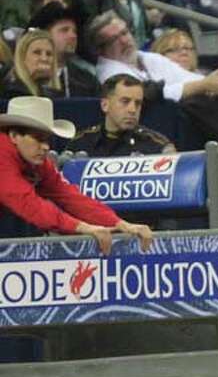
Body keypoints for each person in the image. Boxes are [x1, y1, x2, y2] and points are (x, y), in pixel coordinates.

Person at [0, 96, 153, 253]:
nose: (45, 147)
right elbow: (29, 204)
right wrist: (83, 227)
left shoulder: (36, 160)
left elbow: (69, 196)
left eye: (47, 140)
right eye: (38, 139)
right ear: (13, 136)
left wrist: (120, 224)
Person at [90, 11, 218, 103]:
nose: (124, 40)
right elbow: (145, 94)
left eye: (124, 33)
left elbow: (185, 77)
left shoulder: (148, 58)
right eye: (114, 39)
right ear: (102, 50)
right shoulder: (107, 72)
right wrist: (204, 85)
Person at [73, 75, 178, 157]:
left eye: (138, 103)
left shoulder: (157, 146)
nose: (132, 110)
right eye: (125, 101)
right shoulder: (81, 143)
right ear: (105, 105)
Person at [28, 2, 98, 97]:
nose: (73, 36)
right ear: (44, 34)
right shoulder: (24, 76)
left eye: (75, 31)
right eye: (64, 30)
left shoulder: (87, 81)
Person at [0, 29, 60, 100]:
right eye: (37, 52)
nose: (44, 58)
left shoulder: (53, 95)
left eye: (49, 54)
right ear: (22, 58)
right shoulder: (12, 93)